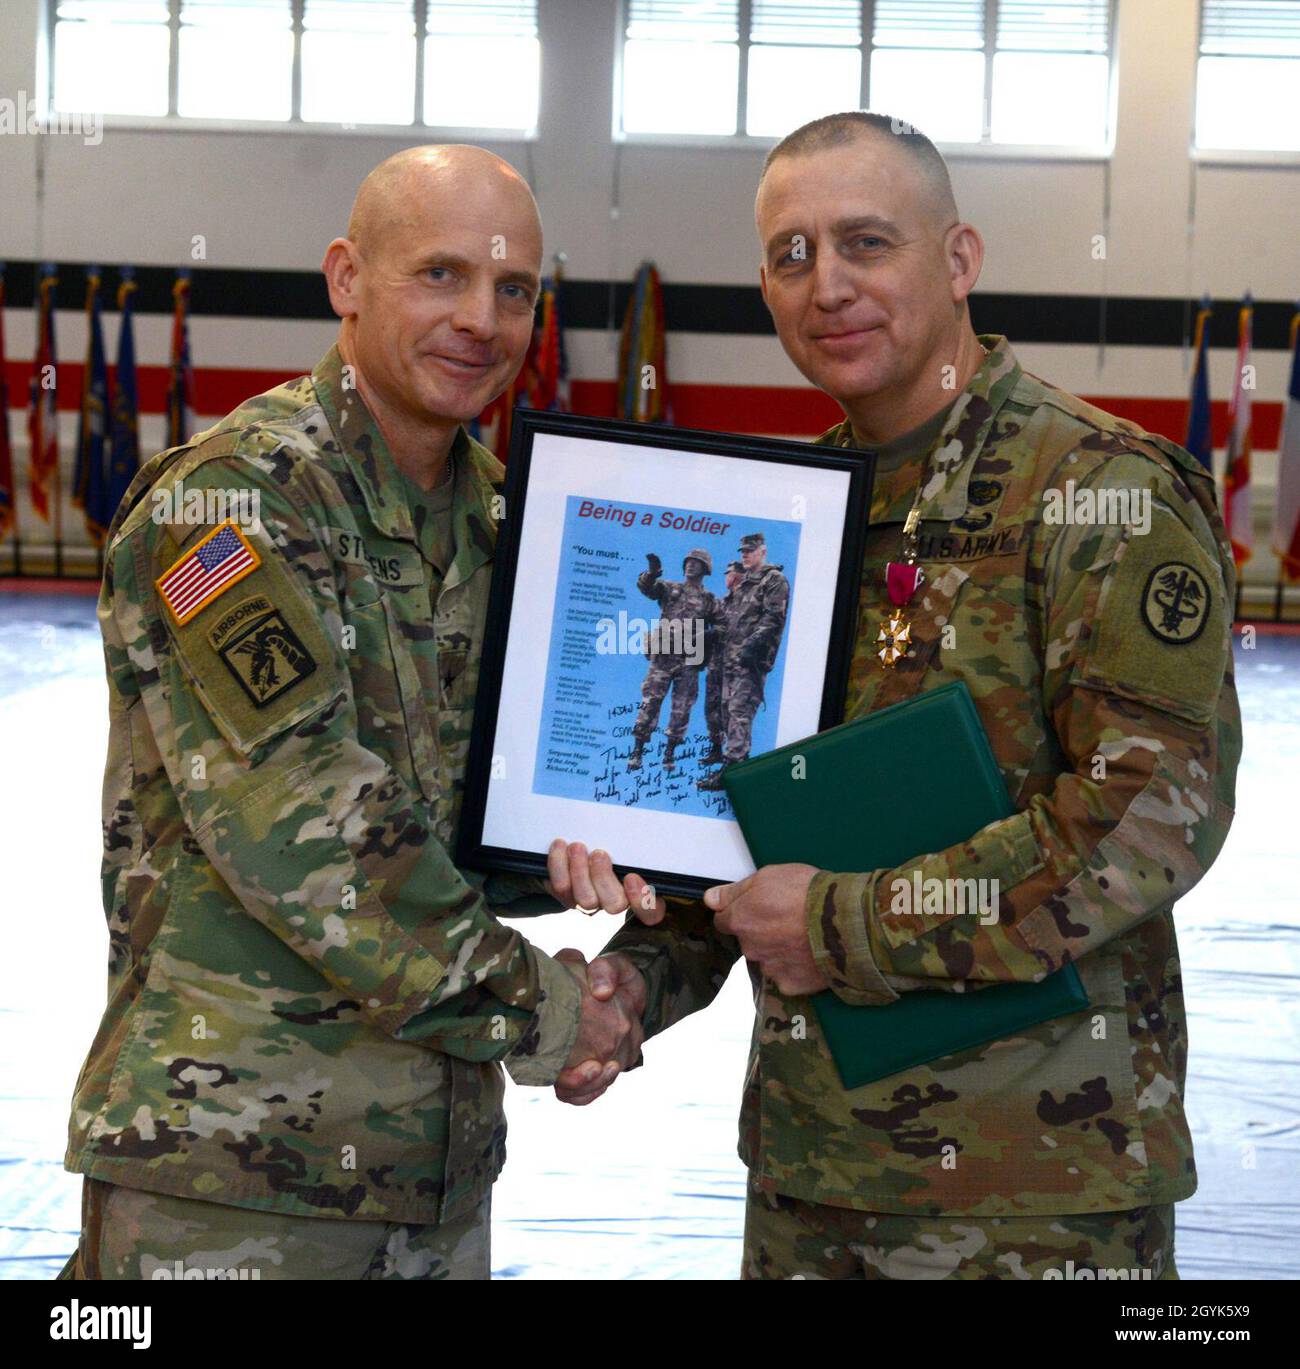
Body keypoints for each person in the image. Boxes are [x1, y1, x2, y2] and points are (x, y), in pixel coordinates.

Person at [558, 112, 1241, 1281]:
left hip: (1035, 1193)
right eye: (791, 254)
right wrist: (633, 986)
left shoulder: (1094, 492)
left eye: (866, 242)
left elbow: (1150, 815)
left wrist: (842, 927)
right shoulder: (792, 520)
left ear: (958, 258)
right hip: (814, 1175)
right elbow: (749, 822)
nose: (827, 286)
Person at [60, 145, 649, 1281]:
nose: (481, 317)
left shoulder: (513, 524)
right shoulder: (229, 504)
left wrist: (621, 864)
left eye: (513, 287)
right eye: (439, 274)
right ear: (346, 279)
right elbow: (305, 829)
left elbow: (482, 809)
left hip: (435, 1174)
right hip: (229, 1179)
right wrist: (550, 1010)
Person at [697, 532, 788, 789]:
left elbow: (772, 619)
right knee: (727, 711)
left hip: (750, 660)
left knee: (739, 711)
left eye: (750, 550)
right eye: (743, 551)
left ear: (763, 551)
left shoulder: (774, 580)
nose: (745, 554)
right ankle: (740, 763)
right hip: (730, 660)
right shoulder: (745, 583)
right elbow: (731, 620)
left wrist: (751, 647)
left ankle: (733, 769)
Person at [628, 549, 716, 772]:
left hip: (689, 662)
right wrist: (652, 573)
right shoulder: (670, 588)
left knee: (682, 708)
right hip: (663, 658)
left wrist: (708, 640)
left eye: (696, 563)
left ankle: (669, 754)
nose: (690, 566)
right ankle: (637, 751)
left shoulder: (709, 600)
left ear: (705, 569)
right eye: (688, 562)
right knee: (650, 702)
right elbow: (648, 588)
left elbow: (723, 624)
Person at [701, 560, 744, 765]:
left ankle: (733, 754)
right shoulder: (722, 602)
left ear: (739, 575)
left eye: (730, 573)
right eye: (727, 573)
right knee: (712, 708)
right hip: (715, 664)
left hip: (734, 665)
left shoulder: (747, 602)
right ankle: (716, 749)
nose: (727, 576)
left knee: (730, 709)